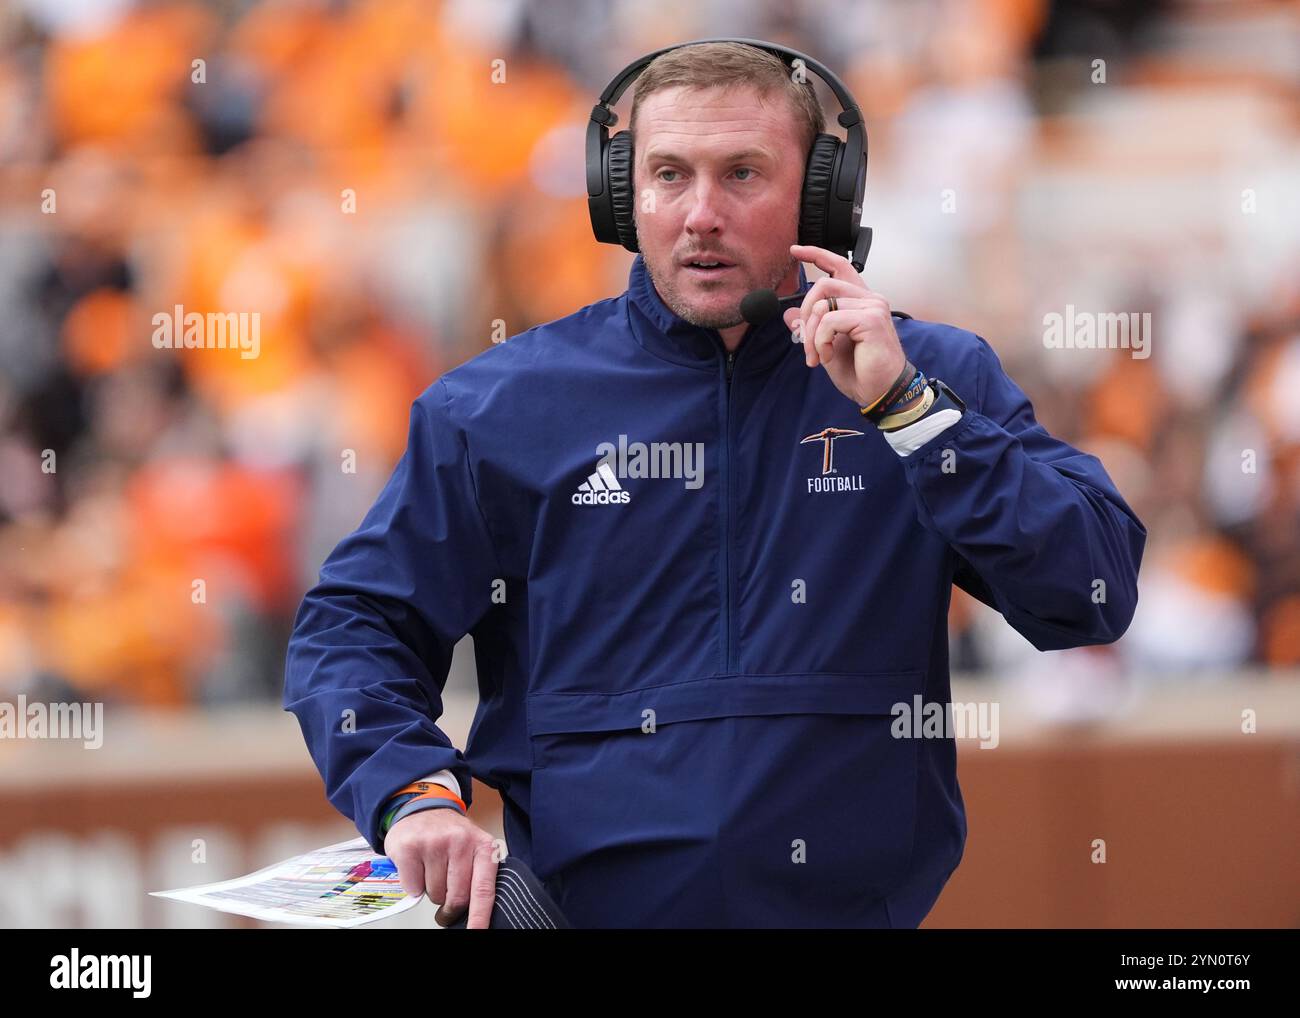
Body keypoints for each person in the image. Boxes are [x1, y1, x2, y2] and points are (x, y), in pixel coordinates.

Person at [283, 38, 1146, 929]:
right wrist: (411, 791)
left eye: (742, 174)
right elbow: (353, 626)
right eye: (667, 175)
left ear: (822, 196)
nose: (700, 213)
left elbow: (1091, 592)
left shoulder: (928, 375)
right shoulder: (496, 406)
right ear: (623, 195)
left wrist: (910, 415)